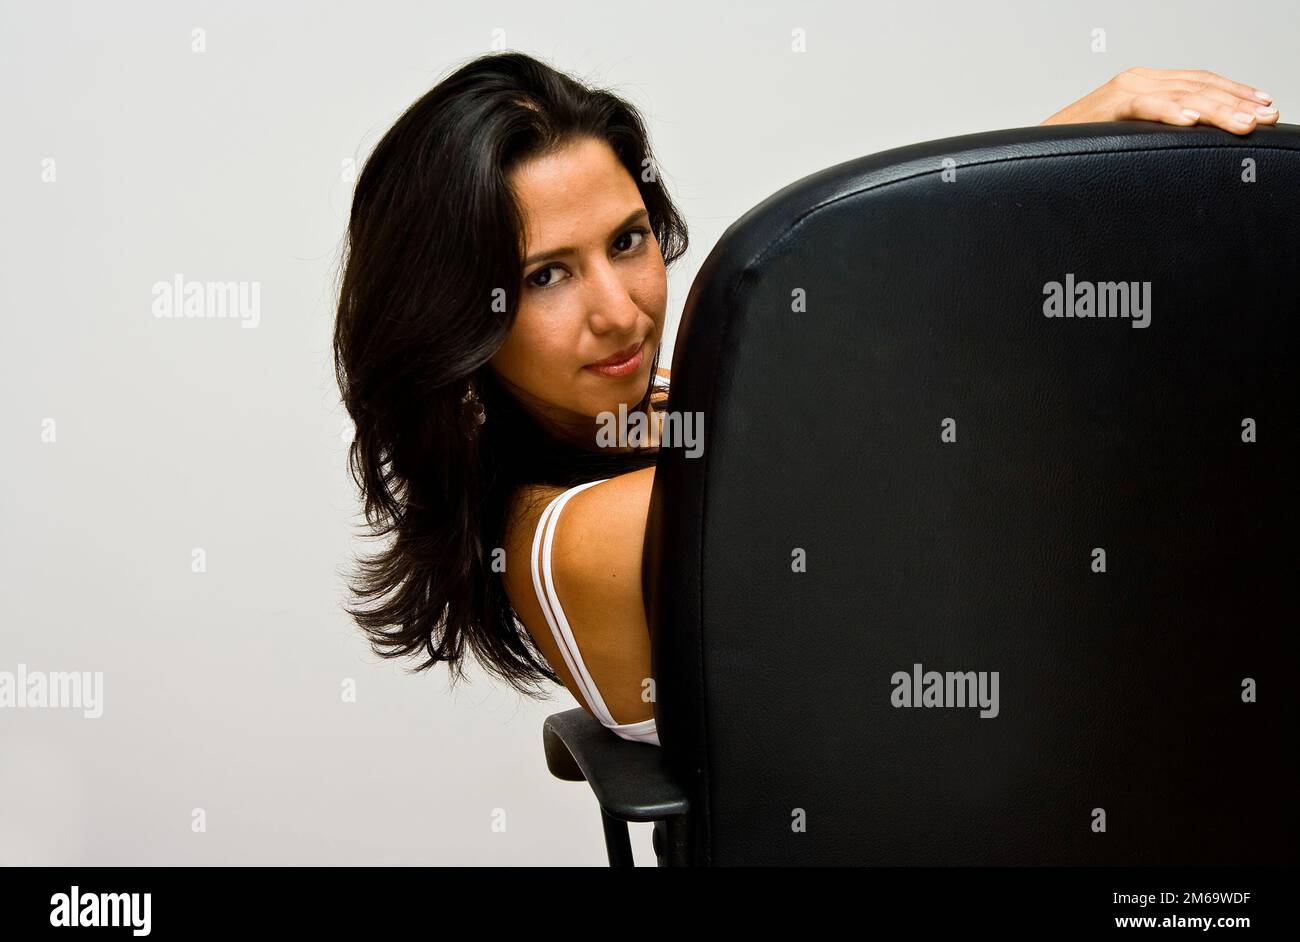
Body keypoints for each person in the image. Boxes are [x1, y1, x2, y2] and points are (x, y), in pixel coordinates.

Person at [332, 52, 1279, 746]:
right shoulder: (573, 539)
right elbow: (882, 401)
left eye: (626, 241)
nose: (619, 311)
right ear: (457, 317)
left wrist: (1074, 133)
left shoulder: (645, 412)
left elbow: (869, 332)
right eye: (545, 277)